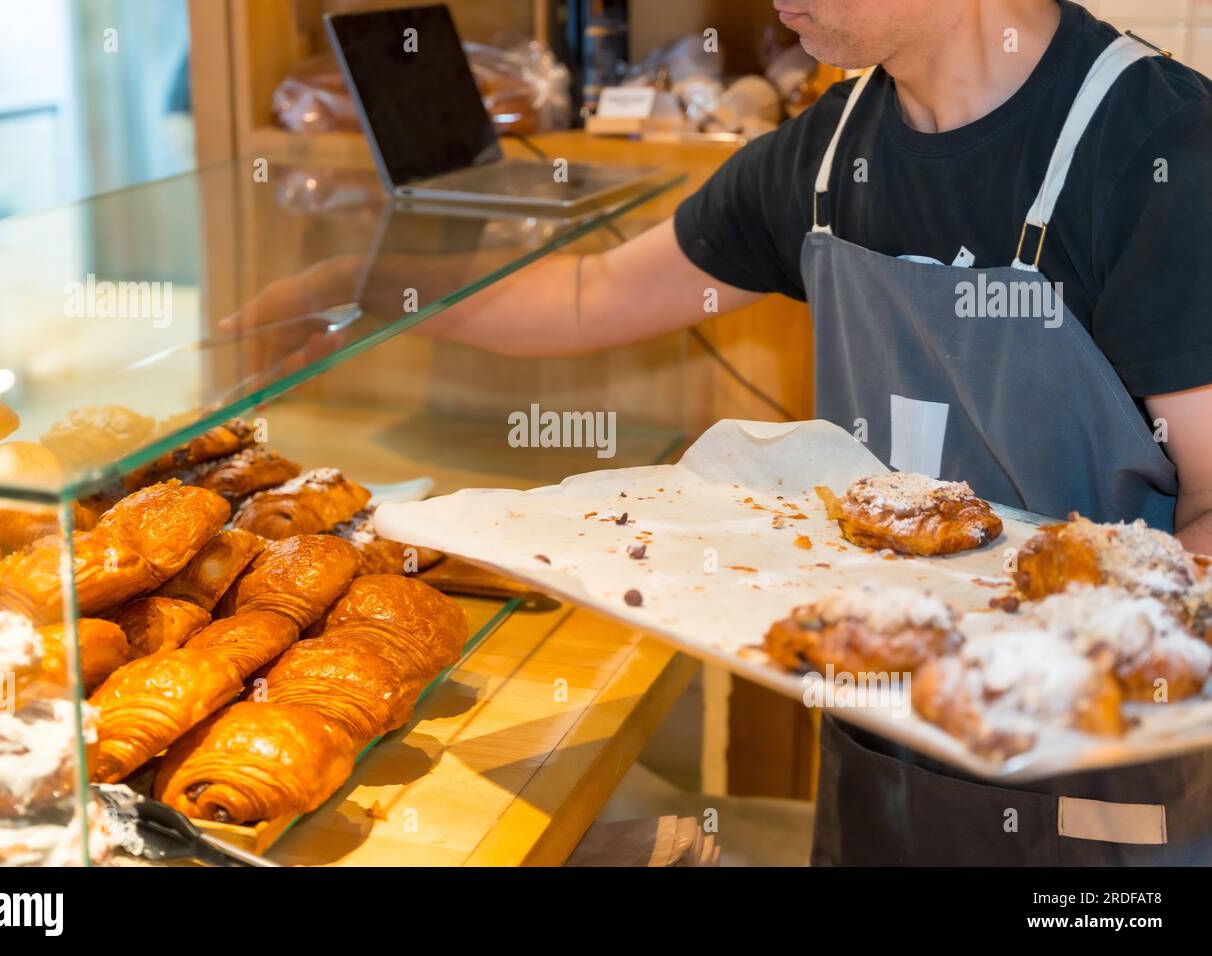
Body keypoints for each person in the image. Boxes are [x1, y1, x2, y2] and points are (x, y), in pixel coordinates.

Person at [229, 0, 1212, 864]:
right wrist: (365, 291)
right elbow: (589, 293)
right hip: (877, 765)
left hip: (1108, 796)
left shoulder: (1154, 148)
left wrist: (1051, 662)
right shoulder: (830, 151)